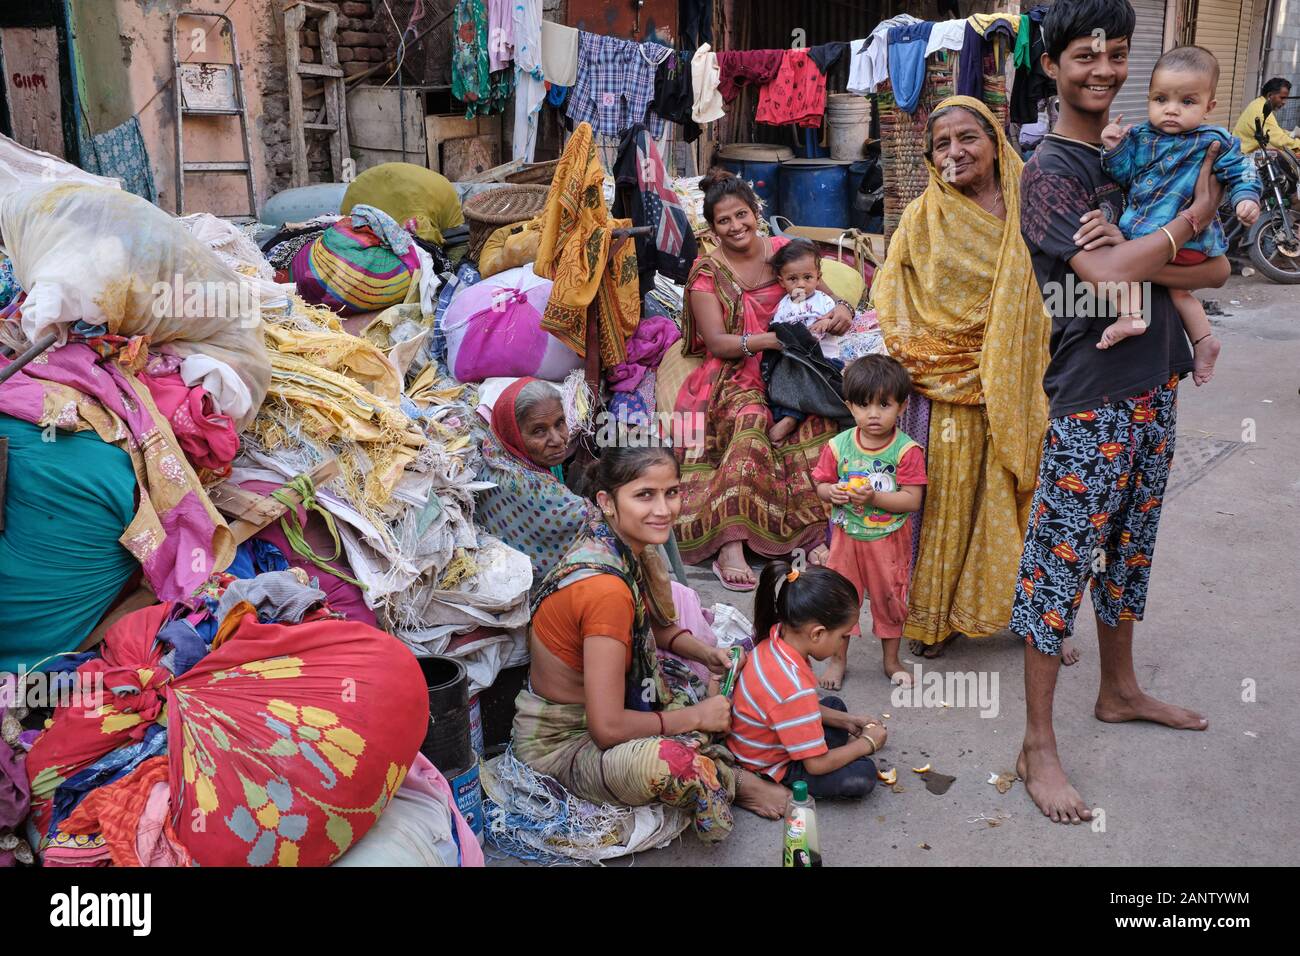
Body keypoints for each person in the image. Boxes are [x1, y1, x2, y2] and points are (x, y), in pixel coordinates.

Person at [1013, 0, 1218, 825]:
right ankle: (1037, 744)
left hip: (1154, 381)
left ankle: (1120, 691)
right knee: (1057, 569)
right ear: (1055, 64)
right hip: (1092, 397)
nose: (1103, 70)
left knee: (1130, 554)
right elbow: (1105, 276)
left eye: (1118, 54)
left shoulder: (1132, 154)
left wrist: (1177, 238)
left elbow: (1210, 275)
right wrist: (1186, 225)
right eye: (1084, 57)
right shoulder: (1053, 172)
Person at [510, 441, 792, 838]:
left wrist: (701, 650)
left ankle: (711, 742)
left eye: (671, 492)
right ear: (608, 501)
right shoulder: (605, 588)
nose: (664, 510)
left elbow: (645, 624)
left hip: (602, 711)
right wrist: (695, 717)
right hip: (562, 745)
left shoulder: (619, 546)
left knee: (703, 681)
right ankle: (735, 783)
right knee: (673, 762)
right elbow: (606, 728)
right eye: (645, 495)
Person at [873, 96, 1068, 665]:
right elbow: (891, 294)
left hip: (1027, 379)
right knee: (949, 504)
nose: (955, 152)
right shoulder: (921, 218)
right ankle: (934, 619)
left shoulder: (1034, 206)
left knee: (1021, 497)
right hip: (946, 389)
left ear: (995, 138)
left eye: (968, 138)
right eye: (942, 144)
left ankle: (1035, 619)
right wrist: (931, 355)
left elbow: (1061, 286)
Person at [674, 170, 853, 592]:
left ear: (757, 213)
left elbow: (823, 295)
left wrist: (841, 309)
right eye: (724, 221)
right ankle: (730, 541)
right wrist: (771, 340)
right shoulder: (706, 273)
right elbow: (717, 343)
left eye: (742, 215)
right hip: (740, 367)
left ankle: (811, 537)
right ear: (712, 228)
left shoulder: (782, 253)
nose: (736, 226)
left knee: (819, 426)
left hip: (796, 364)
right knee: (750, 424)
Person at [1097, 46, 1261, 386]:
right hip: (1171, 242)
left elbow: (1242, 171)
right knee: (1180, 293)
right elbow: (1124, 173)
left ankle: (1130, 316)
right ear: (1149, 99)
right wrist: (1114, 148)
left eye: (1187, 102)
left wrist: (1246, 198)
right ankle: (1204, 341)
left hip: (1179, 239)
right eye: (1160, 100)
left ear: (1208, 107)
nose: (1171, 110)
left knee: (1127, 265)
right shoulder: (1140, 137)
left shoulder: (1214, 140)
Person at [726, 561, 887, 800]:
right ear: (817, 633)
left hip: (756, 736)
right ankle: (779, 778)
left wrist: (848, 720)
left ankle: (829, 743)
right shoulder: (793, 687)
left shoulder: (777, 636)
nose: (843, 643)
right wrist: (867, 744)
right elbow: (816, 765)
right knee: (862, 775)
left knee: (835, 707)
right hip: (766, 762)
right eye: (843, 635)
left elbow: (795, 708)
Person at [812, 355, 927, 689]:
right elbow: (820, 483)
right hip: (846, 538)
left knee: (889, 597)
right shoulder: (838, 446)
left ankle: (891, 660)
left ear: (902, 407)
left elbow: (912, 500)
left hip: (888, 540)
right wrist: (831, 491)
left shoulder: (907, 451)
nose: (873, 414)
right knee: (840, 599)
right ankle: (838, 660)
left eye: (884, 404)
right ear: (850, 408)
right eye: (864, 406)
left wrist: (874, 499)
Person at [473, 377, 600, 591]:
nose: (558, 439)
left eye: (560, 423)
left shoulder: (495, 450)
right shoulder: (525, 485)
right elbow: (594, 524)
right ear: (512, 432)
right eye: (539, 431)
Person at [763, 238, 846, 444]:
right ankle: (791, 415)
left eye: (807, 277)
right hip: (797, 360)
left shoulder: (824, 300)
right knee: (783, 382)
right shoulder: (783, 307)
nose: (801, 284)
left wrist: (826, 322)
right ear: (782, 281)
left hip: (824, 359)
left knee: (830, 382)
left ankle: (792, 417)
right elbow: (780, 330)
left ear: (818, 278)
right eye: (793, 279)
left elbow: (835, 320)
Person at [1233, 77, 1300, 156]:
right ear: (1270, 95)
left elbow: (1274, 130)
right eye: (1282, 98)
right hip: (1242, 157)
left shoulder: (1259, 103)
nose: (1284, 102)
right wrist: (1298, 146)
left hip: (1243, 153)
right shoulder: (1261, 111)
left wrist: (1291, 134)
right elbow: (1279, 140)